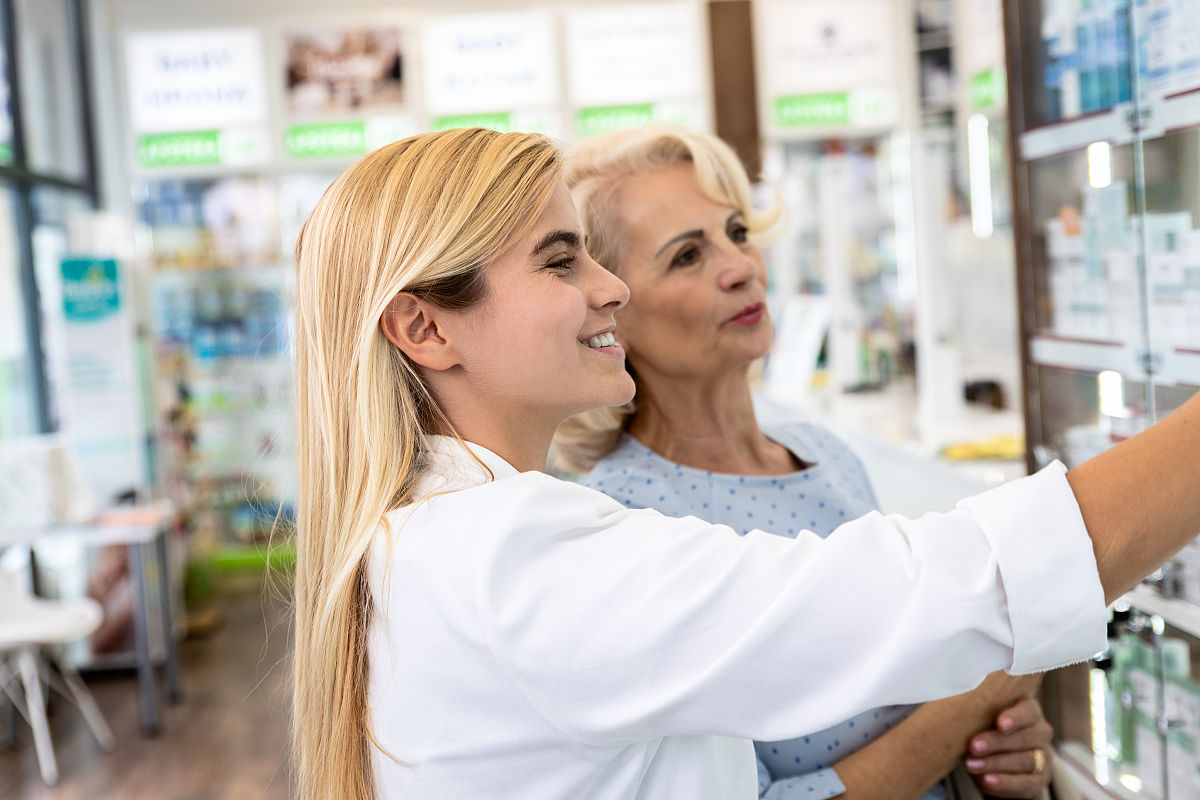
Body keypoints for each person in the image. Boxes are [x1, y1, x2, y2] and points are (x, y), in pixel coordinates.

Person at [290, 127, 1200, 800]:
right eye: (561, 263)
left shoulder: (440, 537)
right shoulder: (517, 559)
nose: (610, 288)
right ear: (424, 327)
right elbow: (925, 597)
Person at [554, 125, 1052, 800]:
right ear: (610, 307)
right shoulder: (626, 525)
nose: (741, 266)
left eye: (736, 232)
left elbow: (911, 688)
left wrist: (1003, 748)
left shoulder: (824, 455)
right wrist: (975, 701)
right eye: (687, 256)